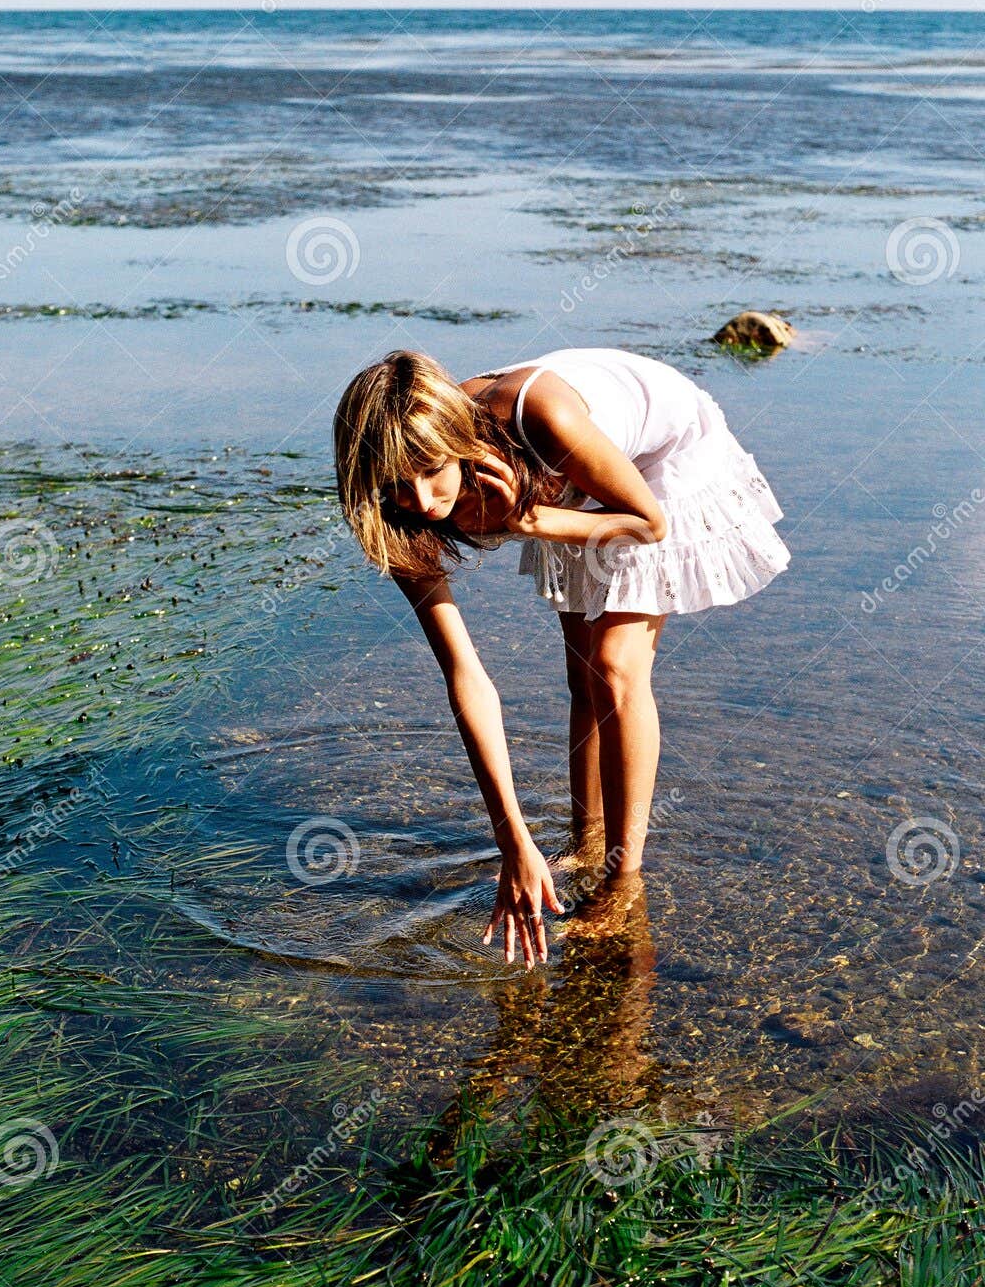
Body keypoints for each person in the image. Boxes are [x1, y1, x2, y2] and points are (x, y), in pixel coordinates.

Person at [333, 346, 790, 971]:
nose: (422, 499)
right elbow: (466, 677)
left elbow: (647, 524)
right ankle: (586, 843)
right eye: (395, 483)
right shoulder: (396, 514)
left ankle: (623, 885)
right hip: (560, 491)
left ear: (453, 441)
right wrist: (512, 840)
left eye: (431, 470)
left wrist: (528, 520)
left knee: (614, 667)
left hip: (657, 466)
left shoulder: (539, 414)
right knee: (582, 676)